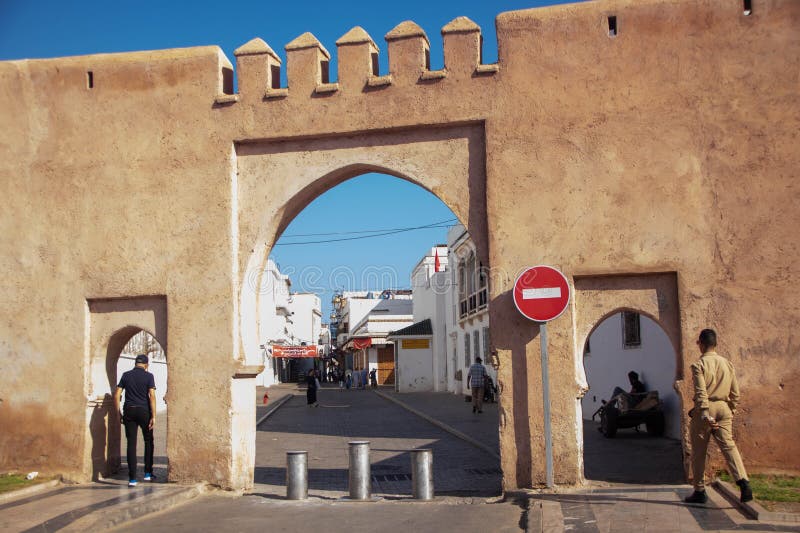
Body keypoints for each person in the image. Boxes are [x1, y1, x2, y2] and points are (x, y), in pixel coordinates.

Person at [684, 328, 752, 504]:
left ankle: (699, 490)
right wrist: (731, 411)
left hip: (706, 410)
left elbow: (701, 393)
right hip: (724, 408)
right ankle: (743, 482)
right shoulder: (727, 364)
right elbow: (735, 393)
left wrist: (705, 415)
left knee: (699, 452)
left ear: (701, 344)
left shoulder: (699, 365)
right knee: (729, 446)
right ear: (715, 344)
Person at [114, 354, 156, 487]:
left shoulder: (126, 375)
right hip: (144, 412)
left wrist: (118, 413)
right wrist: (154, 416)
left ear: (135, 364)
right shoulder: (149, 376)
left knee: (131, 443)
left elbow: (117, 394)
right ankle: (148, 473)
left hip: (129, 411)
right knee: (148, 440)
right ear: (146, 365)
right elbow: (152, 396)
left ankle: (132, 479)